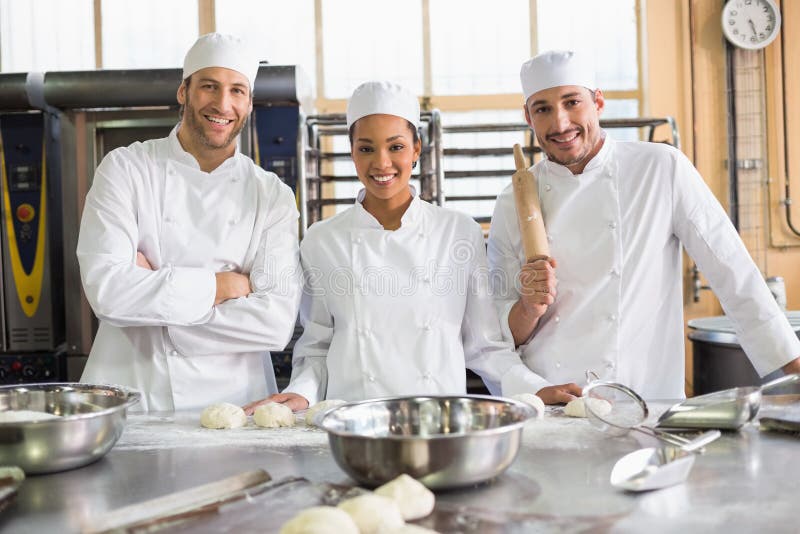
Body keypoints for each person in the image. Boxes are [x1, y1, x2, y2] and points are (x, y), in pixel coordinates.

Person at [488, 50, 800, 404]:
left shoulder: (659, 169)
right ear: (528, 116)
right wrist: (529, 309)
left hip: (644, 402)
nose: (560, 124)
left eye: (572, 102)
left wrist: (793, 364)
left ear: (599, 102)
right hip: (555, 406)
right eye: (542, 109)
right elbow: (498, 333)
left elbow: (731, 269)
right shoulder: (512, 201)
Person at [245, 81, 542, 413]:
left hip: (437, 424)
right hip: (353, 424)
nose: (381, 163)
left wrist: (536, 389)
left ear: (417, 149)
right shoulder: (322, 239)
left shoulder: (458, 232)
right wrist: (302, 392)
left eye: (396, 147)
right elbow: (316, 347)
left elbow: (486, 347)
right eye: (367, 148)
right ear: (352, 150)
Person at [77, 33, 302, 411]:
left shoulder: (272, 195)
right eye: (209, 87)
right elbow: (108, 292)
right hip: (135, 397)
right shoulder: (125, 169)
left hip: (237, 404)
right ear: (184, 91)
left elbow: (275, 324)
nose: (223, 104)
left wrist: (151, 305)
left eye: (237, 91)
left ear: (249, 103)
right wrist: (225, 286)